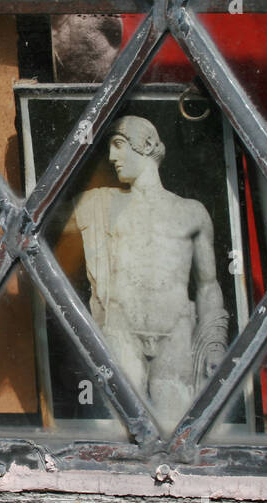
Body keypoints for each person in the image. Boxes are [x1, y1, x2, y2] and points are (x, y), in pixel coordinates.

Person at [71, 115, 230, 429]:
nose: (112, 157)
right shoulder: (103, 203)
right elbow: (43, 220)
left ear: (145, 145)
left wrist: (215, 343)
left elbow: (209, 287)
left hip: (176, 334)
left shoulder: (191, 212)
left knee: (178, 430)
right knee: (120, 431)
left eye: (118, 146)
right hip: (121, 331)